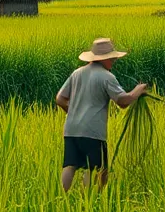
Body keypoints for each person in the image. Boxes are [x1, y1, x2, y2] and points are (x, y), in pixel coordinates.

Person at [55, 37, 148, 192]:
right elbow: (122, 101)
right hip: (92, 132)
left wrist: (75, 113)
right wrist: (137, 91)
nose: (114, 61)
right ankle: (88, 201)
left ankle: (61, 198)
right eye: (112, 58)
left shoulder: (77, 73)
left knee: (70, 165)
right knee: (93, 167)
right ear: (103, 59)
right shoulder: (106, 76)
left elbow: (60, 99)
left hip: (71, 129)